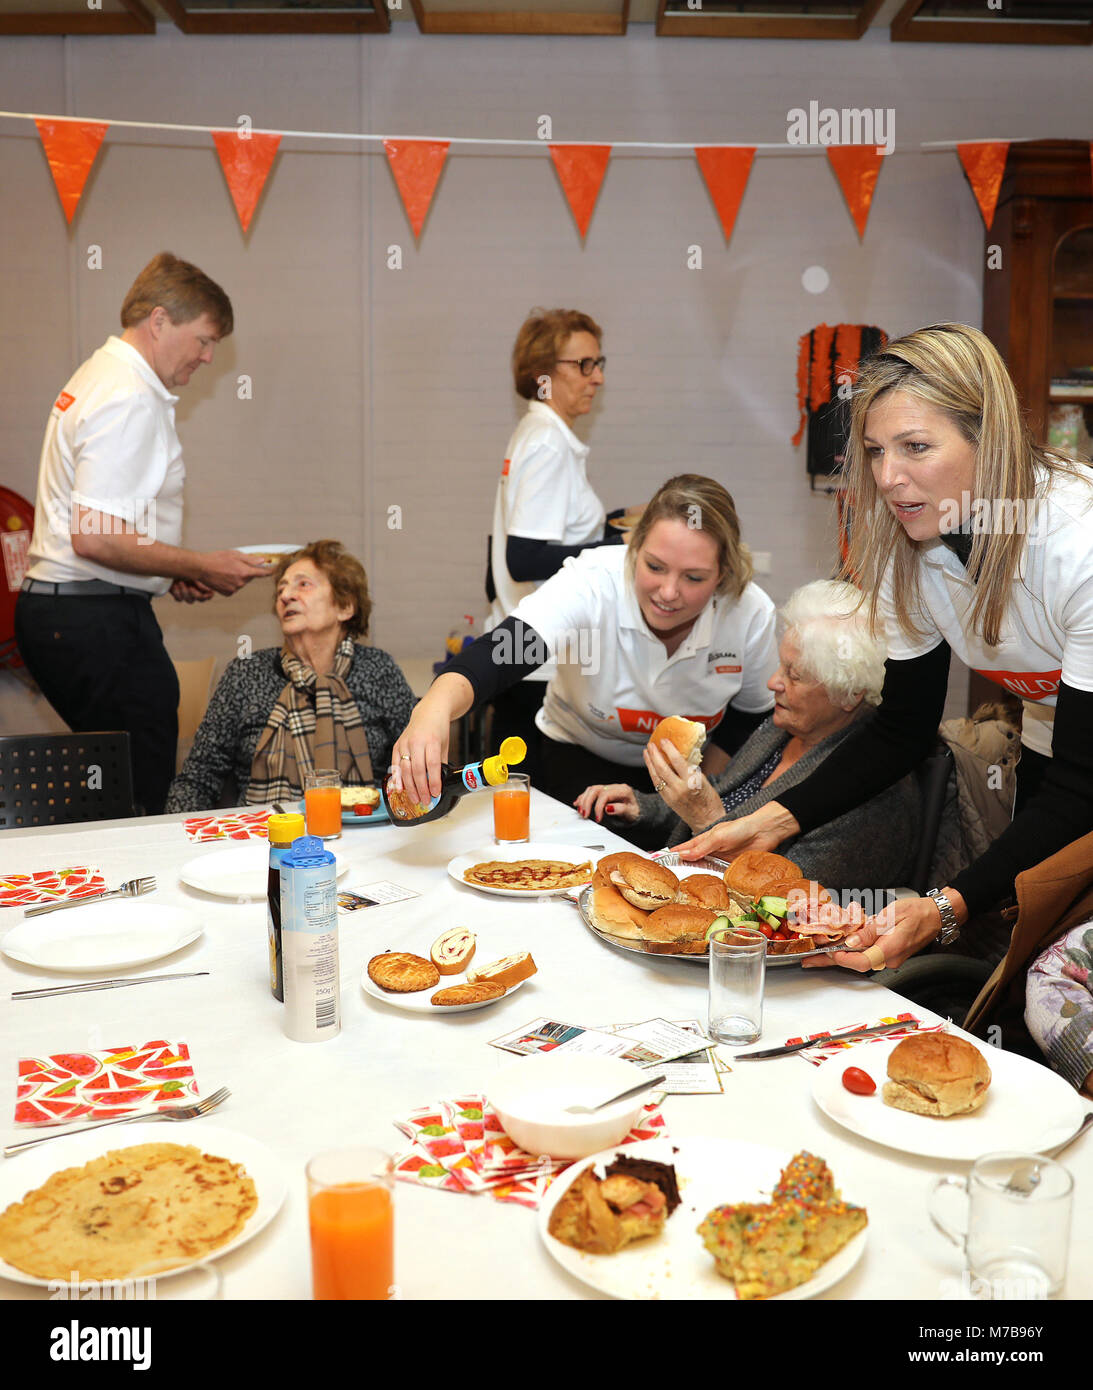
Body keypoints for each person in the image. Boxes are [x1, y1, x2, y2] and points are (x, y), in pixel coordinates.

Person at [676, 323, 1093, 974]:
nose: (888, 477)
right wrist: (778, 819)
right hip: (1057, 755)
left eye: (915, 446)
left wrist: (945, 907)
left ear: (989, 437)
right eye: (874, 450)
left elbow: (1082, 785)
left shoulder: (1076, 545)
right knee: (1036, 949)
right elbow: (901, 728)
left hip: (1081, 772)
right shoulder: (916, 545)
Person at [15, 252, 271, 814]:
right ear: (159, 321)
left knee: (111, 777)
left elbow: (106, 527)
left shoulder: (102, 376)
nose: (208, 357)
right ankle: (134, 892)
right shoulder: (128, 395)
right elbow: (95, 538)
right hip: (91, 617)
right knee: (136, 785)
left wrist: (164, 569)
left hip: (73, 610)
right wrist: (198, 564)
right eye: (204, 340)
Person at [391, 474, 778, 816]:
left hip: (685, 780)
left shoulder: (748, 612)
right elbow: (503, 653)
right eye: (654, 567)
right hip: (576, 760)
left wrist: (697, 796)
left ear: (724, 573)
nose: (669, 592)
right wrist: (433, 709)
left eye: (694, 577)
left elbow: (749, 721)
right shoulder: (593, 580)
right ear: (633, 549)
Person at [574, 579, 920, 890]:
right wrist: (642, 808)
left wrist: (706, 820)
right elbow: (728, 794)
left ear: (849, 693)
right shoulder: (782, 728)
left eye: (794, 675)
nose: (773, 682)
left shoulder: (874, 791)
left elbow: (783, 897)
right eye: (780, 665)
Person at [484, 309, 634, 780]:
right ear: (543, 374)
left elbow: (500, 558)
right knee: (532, 810)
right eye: (584, 364)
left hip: (524, 652)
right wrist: (615, 547)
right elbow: (523, 557)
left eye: (599, 362)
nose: (599, 378)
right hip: (539, 663)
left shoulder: (543, 435)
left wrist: (608, 531)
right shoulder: (548, 443)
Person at [166, 541, 414, 812]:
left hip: (365, 832)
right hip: (263, 837)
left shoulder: (378, 669)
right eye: (281, 588)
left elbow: (415, 763)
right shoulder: (246, 673)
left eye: (303, 584)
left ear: (345, 607)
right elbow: (199, 776)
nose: (286, 596)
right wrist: (172, 841)